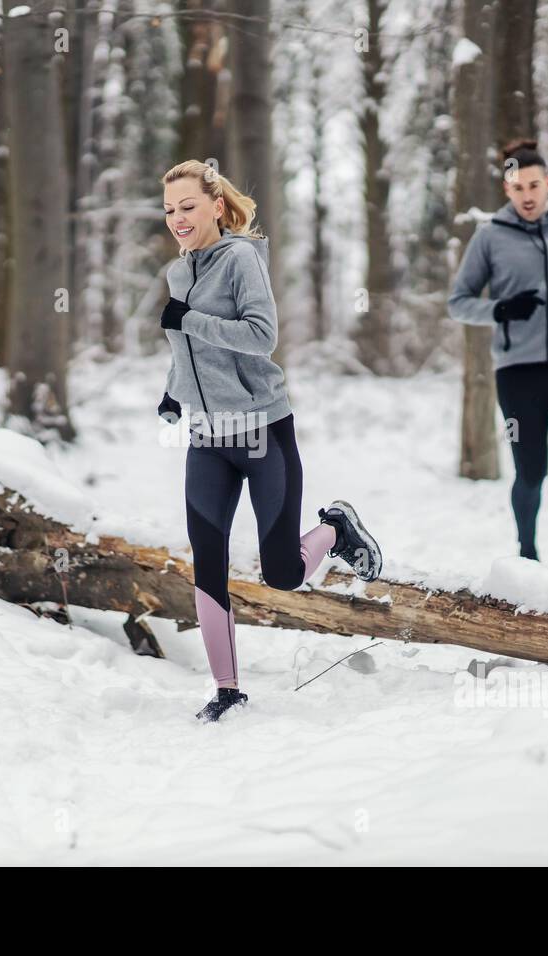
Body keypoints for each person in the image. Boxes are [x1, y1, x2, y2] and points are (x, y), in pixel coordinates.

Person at [157, 159, 382, 722]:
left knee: (281, 572)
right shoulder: (177, 273)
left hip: (261, 433)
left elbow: (262, 337)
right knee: (207, 565)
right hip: (207, 439)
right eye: (168, 211)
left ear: (214, 205)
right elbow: (186, 348)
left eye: (188, 206)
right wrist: (172, 390)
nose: (178, 219)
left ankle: (335, 528)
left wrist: (190, 322)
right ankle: (227, 690)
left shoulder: (239, 261)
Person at [448, 139, 548, 562]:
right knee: (531, 471)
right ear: (507, 190)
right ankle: (527, 557)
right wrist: (500, 309)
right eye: (518, 188)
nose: (527, 195)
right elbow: (459, 301)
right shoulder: (489, 238)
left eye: (534, 186)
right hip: (519, 374)